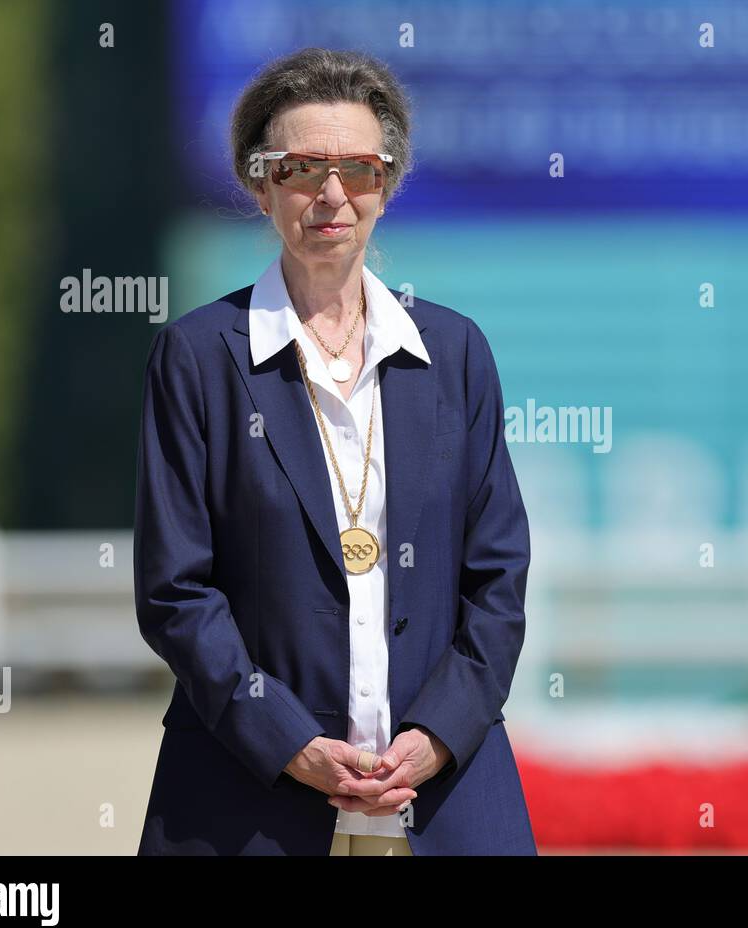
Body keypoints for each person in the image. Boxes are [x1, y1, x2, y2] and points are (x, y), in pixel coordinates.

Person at [134, 47, 535, 855]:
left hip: (445, 791)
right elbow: (176, 591)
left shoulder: (454, 353)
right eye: (301, 168)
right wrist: (289, 741)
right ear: (259, 183)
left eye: (359, 168)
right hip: (250, 793)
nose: (331, 194)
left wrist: (438, 733)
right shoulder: (199, 356)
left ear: (386, 185)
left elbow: (497, 579)